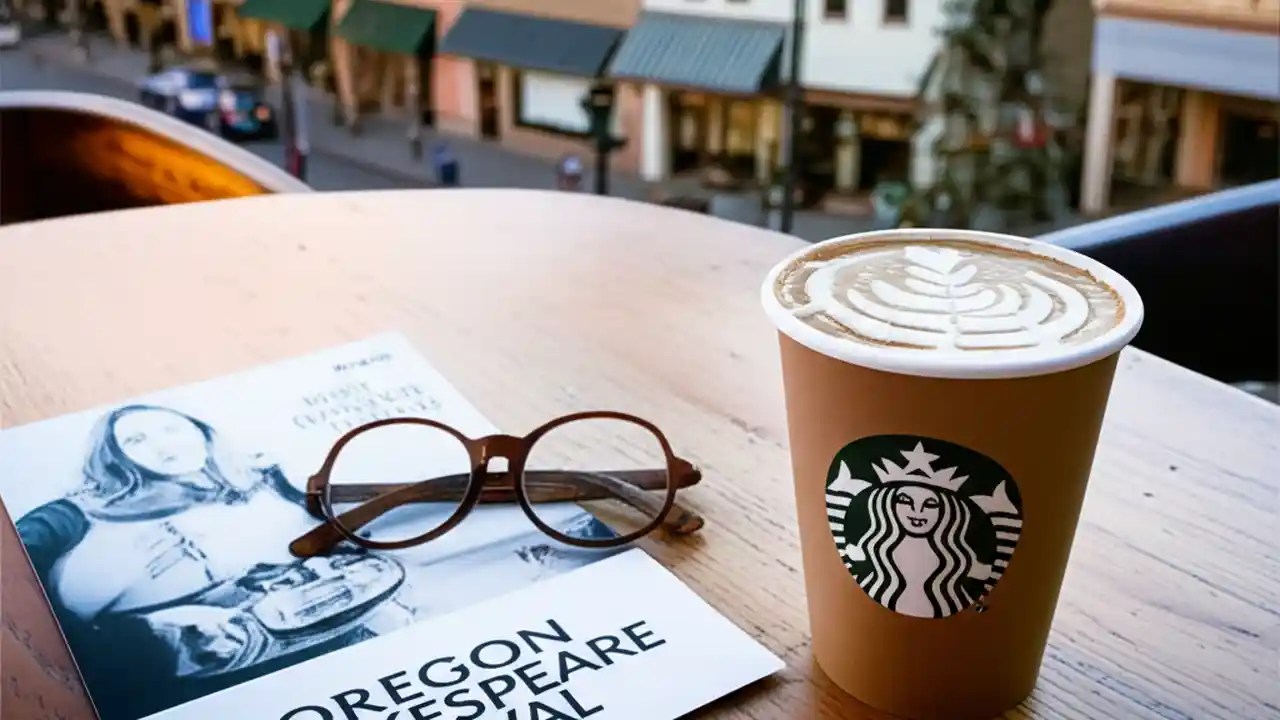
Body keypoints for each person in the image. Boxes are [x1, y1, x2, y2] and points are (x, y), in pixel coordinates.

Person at [14, 404, 403, 719]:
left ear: (199, 430)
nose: (161, 445)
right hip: (163, 676)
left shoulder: (266, 477)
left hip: (313, 651)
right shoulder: (73, 515)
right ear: (117, 455)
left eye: (170, 428)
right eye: (136, 439)